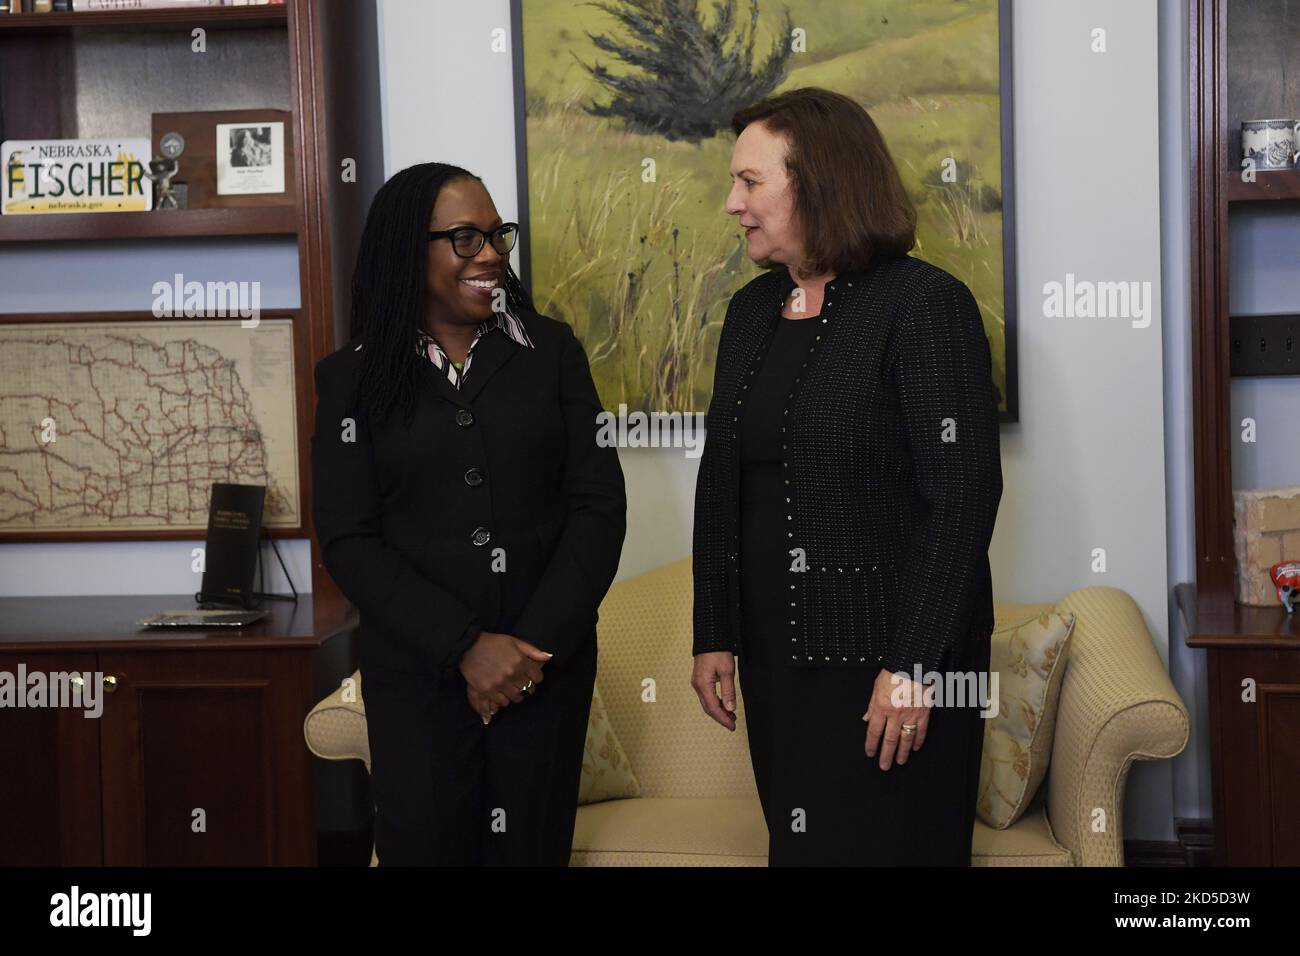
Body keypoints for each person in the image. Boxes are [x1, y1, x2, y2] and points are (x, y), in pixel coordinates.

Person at [690, 88, 1004, 866]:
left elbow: (963, 498)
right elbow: (722, 479)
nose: (733, 203)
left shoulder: (925, 305)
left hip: (890, 669)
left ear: (819, 183)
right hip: (776, 664)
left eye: (750, 182)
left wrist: (912, 668)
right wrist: (714, 632)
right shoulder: (750, 313)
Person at [311, 162, 626, 865]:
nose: (489, 255)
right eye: (463, 238)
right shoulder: (351, 380)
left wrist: (526, 655)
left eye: (495, 235)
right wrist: (465, 649)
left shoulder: (553, 355)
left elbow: (598, 510)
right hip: (418, 684)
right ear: (405, 250)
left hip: (544, 681)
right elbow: (349, 539)